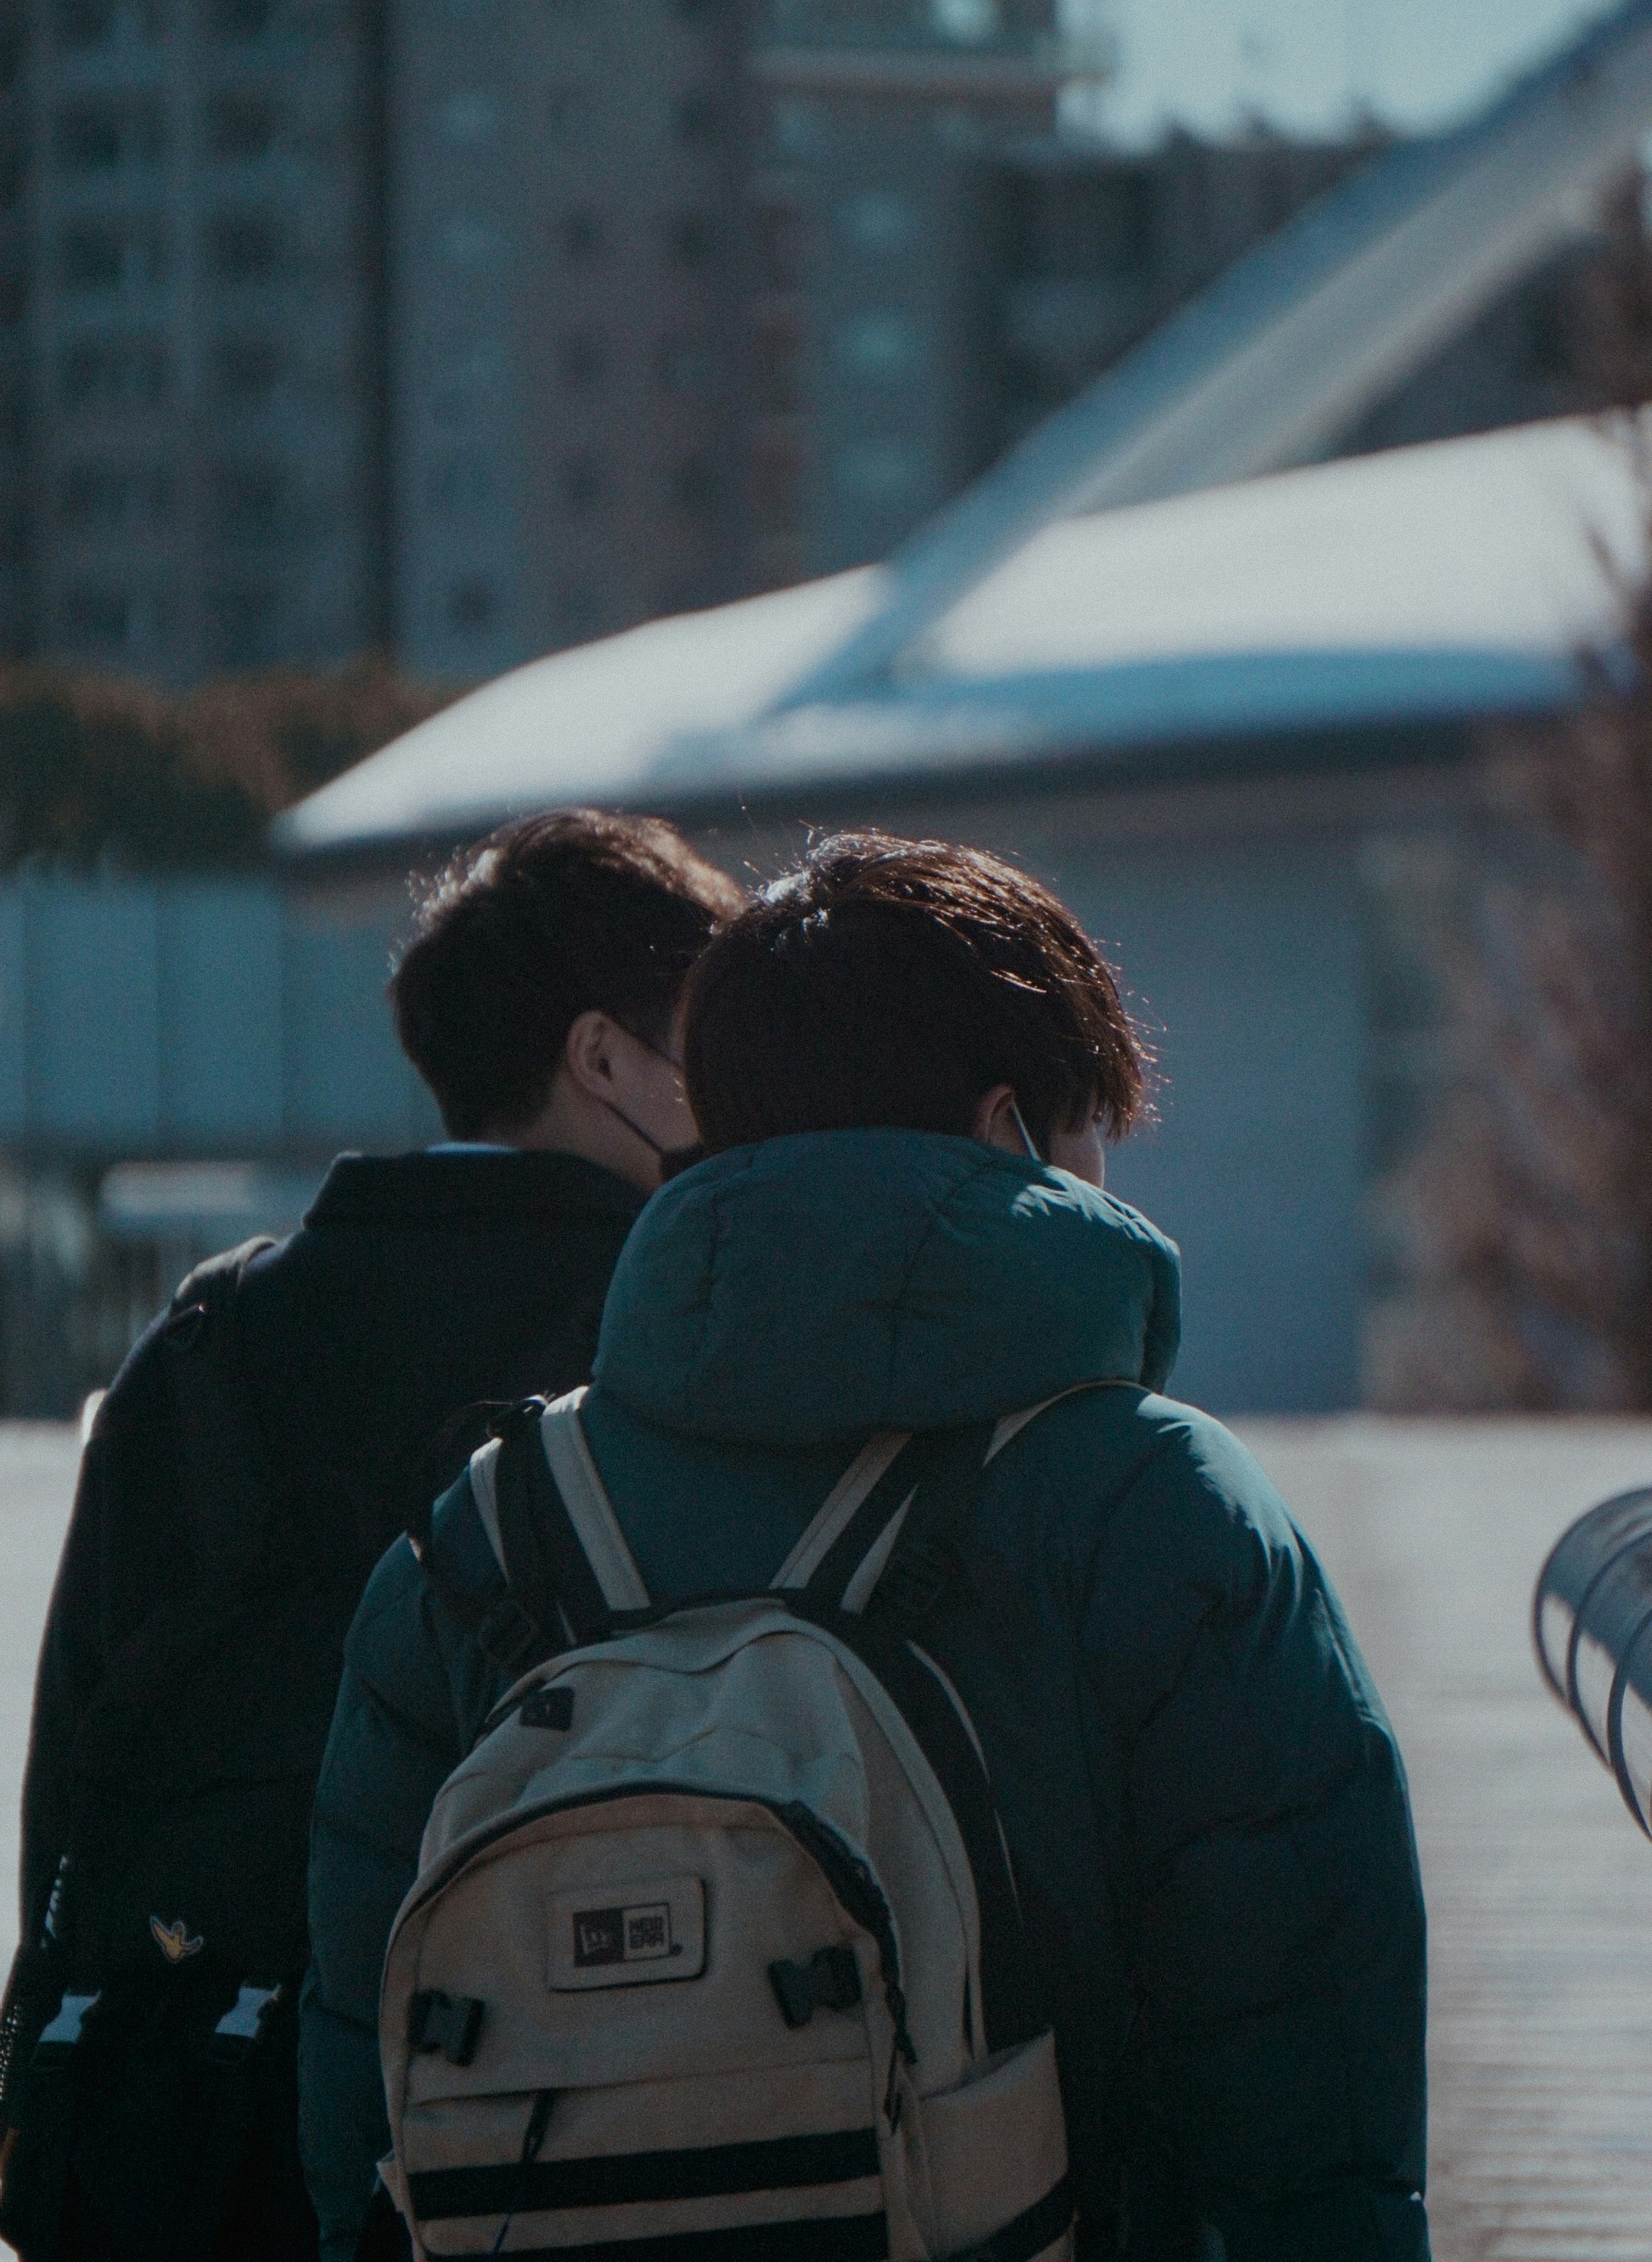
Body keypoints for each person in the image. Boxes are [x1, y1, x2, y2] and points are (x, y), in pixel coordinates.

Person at [304, 829, 1429, 2261]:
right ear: (1008, 1130)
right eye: (1098, 1132)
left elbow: (363, 2116)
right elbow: (1311, 2120)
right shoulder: (1155, 1509)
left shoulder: (484, 1541)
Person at [2, 809, 741, 2262]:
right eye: (713, 1050)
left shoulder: (209, 1337)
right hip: (579, 2140)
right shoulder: (680, 1348)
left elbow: (78, 1772)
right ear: (603, 1061)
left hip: (201, 2139)